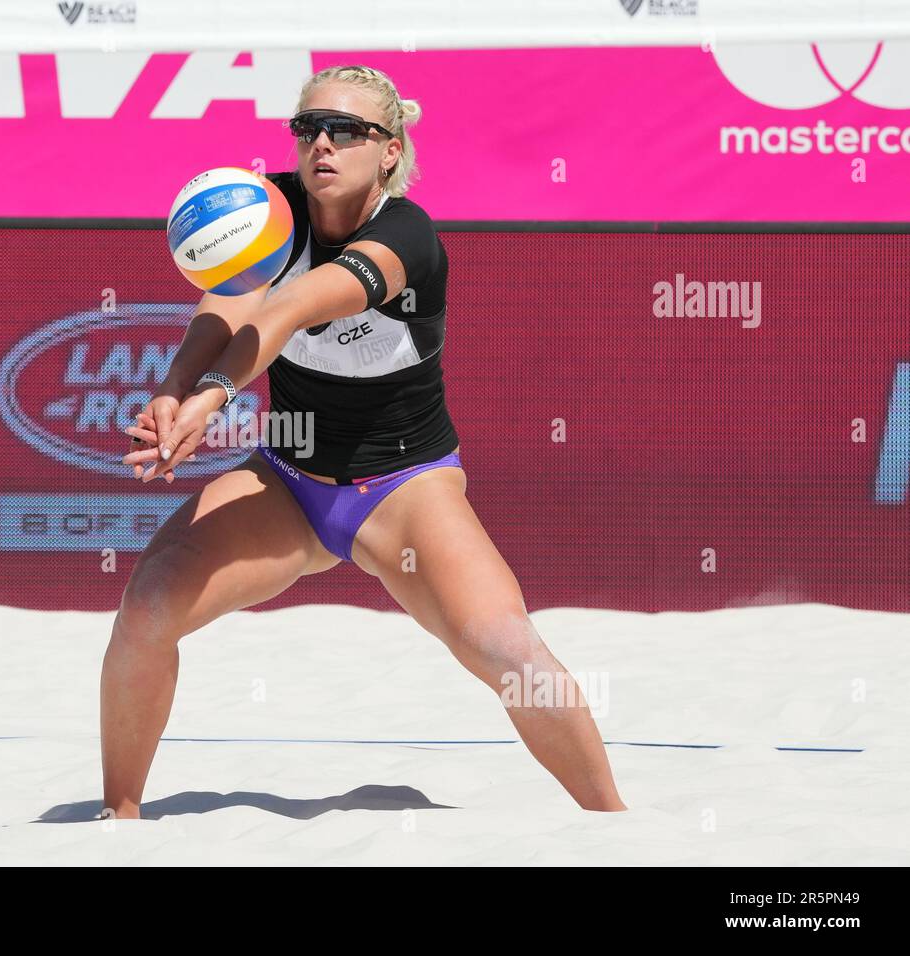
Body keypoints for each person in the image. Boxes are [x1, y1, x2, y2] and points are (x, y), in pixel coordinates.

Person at [103, 64, 627, 817]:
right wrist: (170, 390)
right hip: (288, 481)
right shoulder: (269, 208)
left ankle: (612, 825)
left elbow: (287, 309)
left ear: (389, 150)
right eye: (308, 126)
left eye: (347, 130)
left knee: (511, 654)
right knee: (147, 610)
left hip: (403, 488)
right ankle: (116, 824)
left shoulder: (407, 236)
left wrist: (212, 397)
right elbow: (223, 308)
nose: (322, 142)